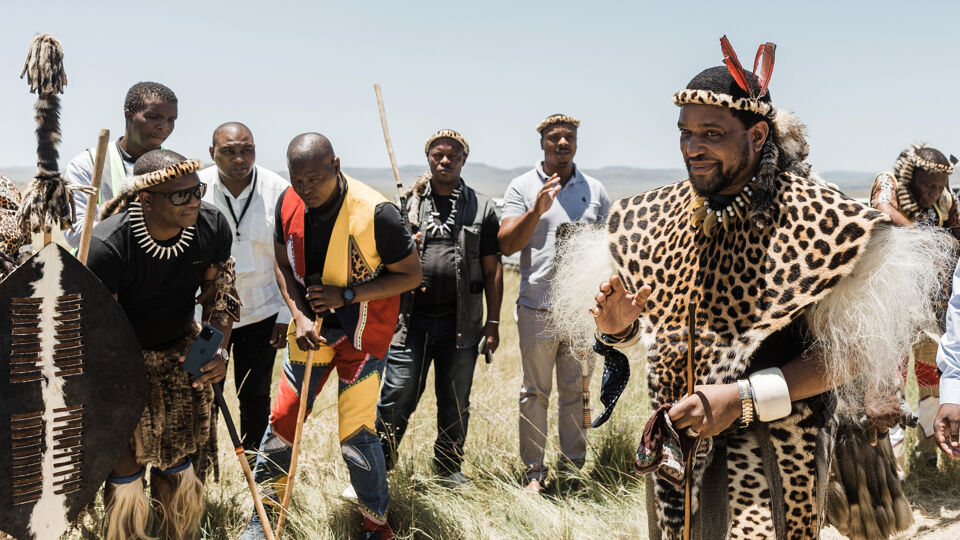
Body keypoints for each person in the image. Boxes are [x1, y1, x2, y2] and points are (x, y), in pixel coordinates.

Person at [555, 38, 953, 539]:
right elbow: (665, 337)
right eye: (685, 133)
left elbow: (853, 355)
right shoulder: (651, 219)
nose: (693, 148)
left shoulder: (822, 222)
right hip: (678, 464)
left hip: (776, 460)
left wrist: (743, 398)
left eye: (712, 133)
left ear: (758, 134)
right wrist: (619, 330)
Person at [242, 133, 421, 540]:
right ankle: (263, 520)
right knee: (283, 420)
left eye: (315, 179)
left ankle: (376, 526)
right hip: (309, 334)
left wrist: (348, 295)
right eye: (298, 179)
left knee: (356, 433)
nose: (306, 188)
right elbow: (282, 263)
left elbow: (411, 275)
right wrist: (299, 315)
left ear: (336, 166)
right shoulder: (288, 202)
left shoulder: (377, 212)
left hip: (363, 336)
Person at [87, 149, 239, 540]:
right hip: (117, 364)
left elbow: (221, 300)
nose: (194, 201)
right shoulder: (108, 246)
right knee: (125, 470)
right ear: (147, 199)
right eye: (181, 195)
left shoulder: (211, 226)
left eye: (197, 191)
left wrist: (213, 351)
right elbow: (93, 332)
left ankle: (178, 533)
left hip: (179, 352)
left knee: (177, 462)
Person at [376, 129, 502, 484]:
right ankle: (379, 468)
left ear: (464, 160)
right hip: (410, 322)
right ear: (428, 158)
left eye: (453, 155)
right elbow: (381, 263)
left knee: (455, 401)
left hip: (460, 323)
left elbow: (492, 269)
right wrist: (406, 247)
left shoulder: (482, 208)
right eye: (438, 155)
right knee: (396, 394)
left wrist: (493, 322)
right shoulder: (407, 204)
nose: (445, 161)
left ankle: (448, 469)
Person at [498, 113, 610, 492]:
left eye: (569, 137)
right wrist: (536, 211)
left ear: (576, 143)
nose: (562, 143)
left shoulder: (594, 190)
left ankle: (572, 472)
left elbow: (608, 250)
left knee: (577, 393)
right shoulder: (522, 186)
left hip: (582, 313)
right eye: (554, 138)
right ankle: (534, 473)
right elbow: (506, 244)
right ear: (542, 143)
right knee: (534, 393)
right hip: (537, 308)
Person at [199, 122, 290, 452]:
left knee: (254, 395)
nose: (240, 158)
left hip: (262, 313)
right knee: (203, 392)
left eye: (246, 150)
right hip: (207, 317)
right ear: (212, 153)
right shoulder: (196, 188)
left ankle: (255, 466)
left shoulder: (278, 190)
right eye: (229, 151)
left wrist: (284, 314)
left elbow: (290, 257)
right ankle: (202, 467)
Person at [872, 144, 960, 469]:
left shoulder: (945, 201)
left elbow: (956, 237)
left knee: (931, 382)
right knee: (891, 387)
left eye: (940, 186)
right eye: (928, 185)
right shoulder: (889, 182)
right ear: (912, 177)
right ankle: (892, 466)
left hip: (930, 311)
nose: (934, 192)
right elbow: (882, 209)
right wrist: (922, 240)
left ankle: (927, 453)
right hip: (891, 309)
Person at [64, 81, 178, 248]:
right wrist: (151, 231)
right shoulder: (87, 164)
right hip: (103, 263)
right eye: (154, 117)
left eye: (171, 120)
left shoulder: (178, 166)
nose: (164, 127)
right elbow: (75, 233)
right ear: (129, 115)